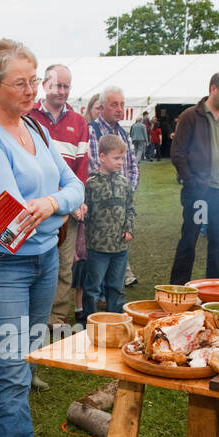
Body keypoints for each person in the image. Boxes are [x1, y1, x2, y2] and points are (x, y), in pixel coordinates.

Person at [0, 38, 83, 437]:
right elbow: (11, 215)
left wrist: (51, 204)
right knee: (13, 373)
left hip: (42, 258)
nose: (32, 90)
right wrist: (58, 208)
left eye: (34, 80)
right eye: (21, 83)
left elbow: (75, 186)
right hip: (2, 266)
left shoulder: (35, 127)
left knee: (25, 367)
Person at [27, 63, 90, 331]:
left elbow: (82, 166)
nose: (62, 91)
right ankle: (32, 316)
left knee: (64, 266)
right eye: (57, 85)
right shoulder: (28, 116)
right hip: (35, 207)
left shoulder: (79, 122)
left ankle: (56, 319)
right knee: (34, 262)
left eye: (66, 86)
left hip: (67, 209)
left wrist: (76, 200)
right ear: (44, 85)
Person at [168, 72, 219, 283]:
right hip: (199, 193)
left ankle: (213, 291)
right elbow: (178, 153)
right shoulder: (191, 116)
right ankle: (177, 289)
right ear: (213, 89)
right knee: (189, 241)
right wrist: (192, 183)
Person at [89, 87, 139, 287]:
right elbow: (93, 165)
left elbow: (133, 166)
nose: (119, 109)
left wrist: (127, 192)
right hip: (101, 203)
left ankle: (119, 279)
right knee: (100, 248)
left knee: (121, 240)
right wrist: (111, 191)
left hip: (122, 199)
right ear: (102, 107)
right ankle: (100, 290)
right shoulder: (92, 131)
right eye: (114, 104)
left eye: (122, 105)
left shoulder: (124, 133)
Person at [82, 133, 135, 314]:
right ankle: (89, 321)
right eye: (116, 158)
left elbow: (130, 209)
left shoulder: (124, 183)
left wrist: (129, 228)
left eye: (122, 158)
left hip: (120, 248)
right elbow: (85, 214)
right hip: (97, 248)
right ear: (102, 157)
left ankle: (116, 320)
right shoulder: (91, 184)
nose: (120, 162)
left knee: (117, 287)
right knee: (93, 288)